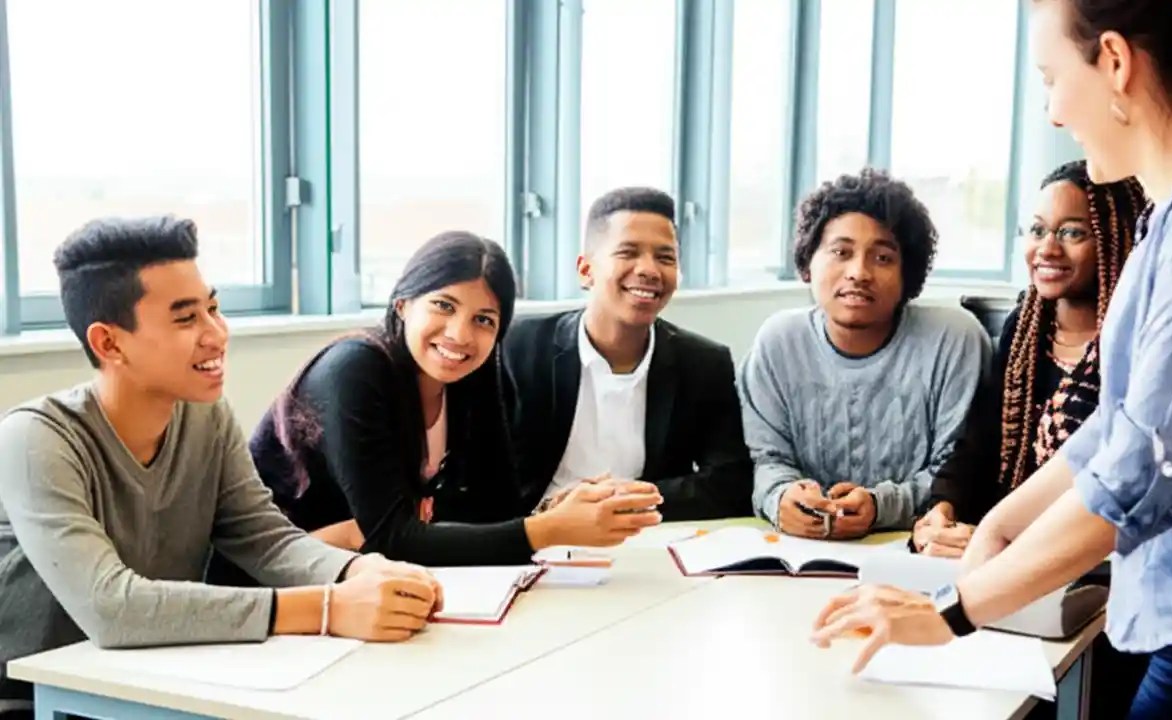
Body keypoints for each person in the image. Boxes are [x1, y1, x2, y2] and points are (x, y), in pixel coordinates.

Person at [812, 1, 1172, 716]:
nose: (1053, 112)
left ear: (1115, 62)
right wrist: (1004, 521)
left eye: (1052, 78)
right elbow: (1124, 420)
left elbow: (1142, 470)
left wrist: (950, 611)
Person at [0, 217, 442, 719]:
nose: (216, 334)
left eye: (213, 308)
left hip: (146, 683)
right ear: (109, 343)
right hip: (34, 698)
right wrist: (328, 608)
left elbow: (265, 538)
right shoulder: (34, 438)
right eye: (186, 319)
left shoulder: (205, 415)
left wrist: (361, 569)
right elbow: (111, 608)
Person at [215, 231, 662, 577]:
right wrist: (547, 530)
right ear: (404, 303)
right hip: (269, 579)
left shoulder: (472, 379)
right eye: (443, 306)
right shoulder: (354, 370)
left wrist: (554, 513)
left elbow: (495, 513)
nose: (460, 335)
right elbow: (393, 537)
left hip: (365, 578)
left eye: (483, 320)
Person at [738, 169, 991, 540]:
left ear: (910, 272)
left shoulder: (954, 340)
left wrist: (879, 506)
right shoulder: (778, 341)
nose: (859, 273)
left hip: (918, 546)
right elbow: (766, 460)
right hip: (801, 550)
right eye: (841, 252)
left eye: (883, 258)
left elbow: (959, 474)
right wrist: (781, 498)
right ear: (809, 261)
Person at [912, 160, 1147, 557]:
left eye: (1072, 232)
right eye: (1037, 230)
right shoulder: (1025, 328)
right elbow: (980, 444)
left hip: (1096, 558)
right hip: (1005, 551)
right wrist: (940, 511)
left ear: (1116, 238)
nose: (1048, 248)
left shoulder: (1140, 338)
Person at [505, 187, 753, 520]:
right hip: (535, 535)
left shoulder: (704, 363)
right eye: (628, 252)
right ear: (585, 270)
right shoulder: (519, 347)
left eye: (665, 257)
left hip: (644, 535)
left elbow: (730, 482)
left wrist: (626, 499)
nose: (649, 270)